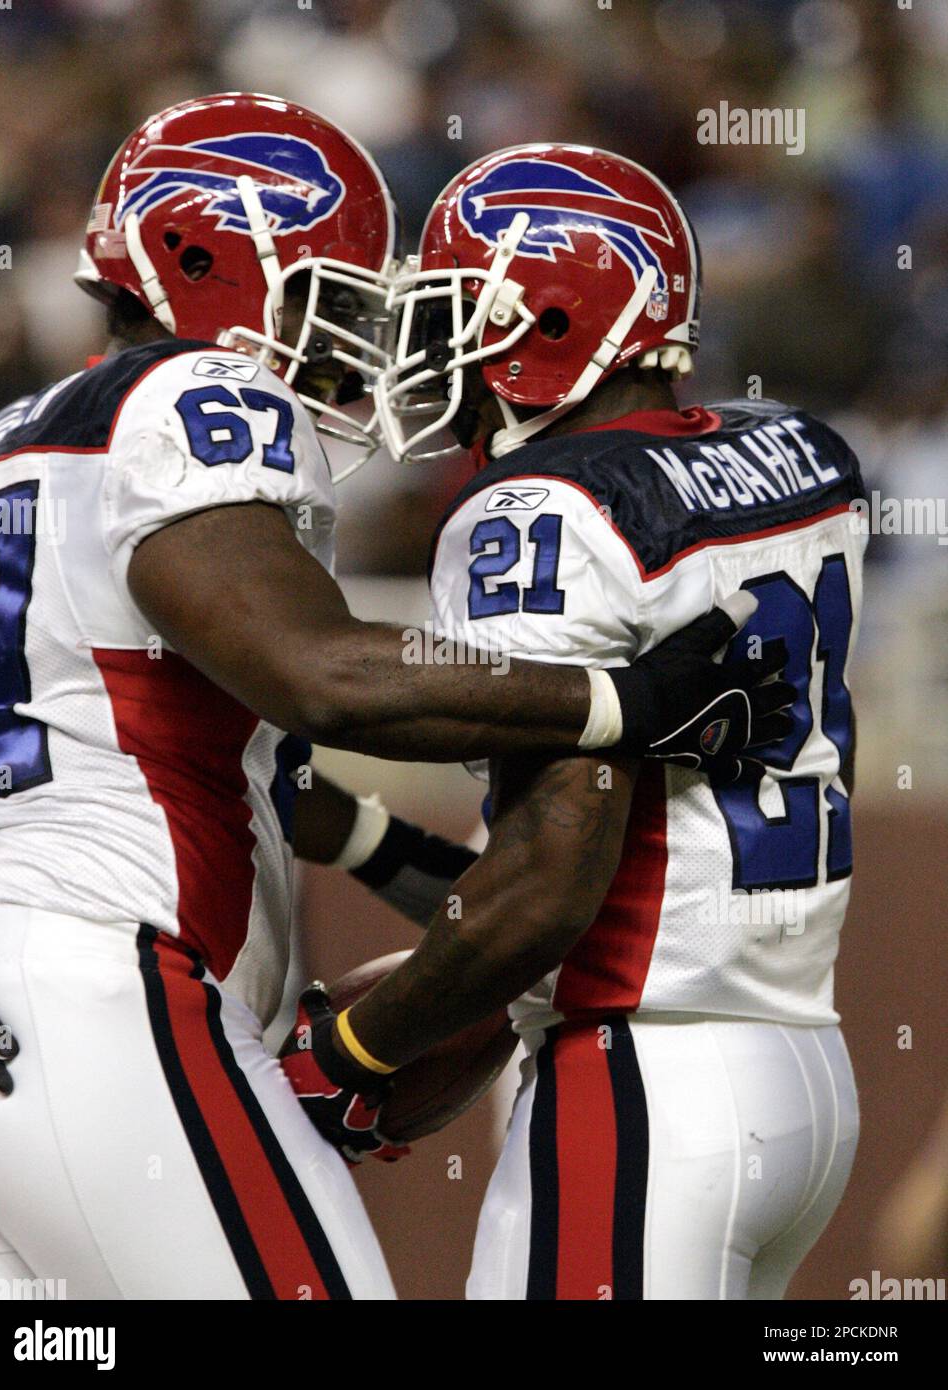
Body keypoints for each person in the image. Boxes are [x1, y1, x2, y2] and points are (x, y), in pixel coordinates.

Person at [0, 99, 783, 1300]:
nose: (347, 336)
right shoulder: (200, 393)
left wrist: (393, 867)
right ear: (200, 258)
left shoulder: (8, 438)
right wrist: (618, 699)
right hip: (103, 988)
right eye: (319, 292)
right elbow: (322, 674)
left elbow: (205, 752)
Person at [287, 143, 862, 1300]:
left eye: (465, 313)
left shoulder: (544, 511)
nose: (442, 350)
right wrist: (353, 835)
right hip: (801, 1068)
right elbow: (602, 843)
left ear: (555, 317)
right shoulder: (800, 453)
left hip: (644, 1081)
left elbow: (548, 890)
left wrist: (348, 1058)